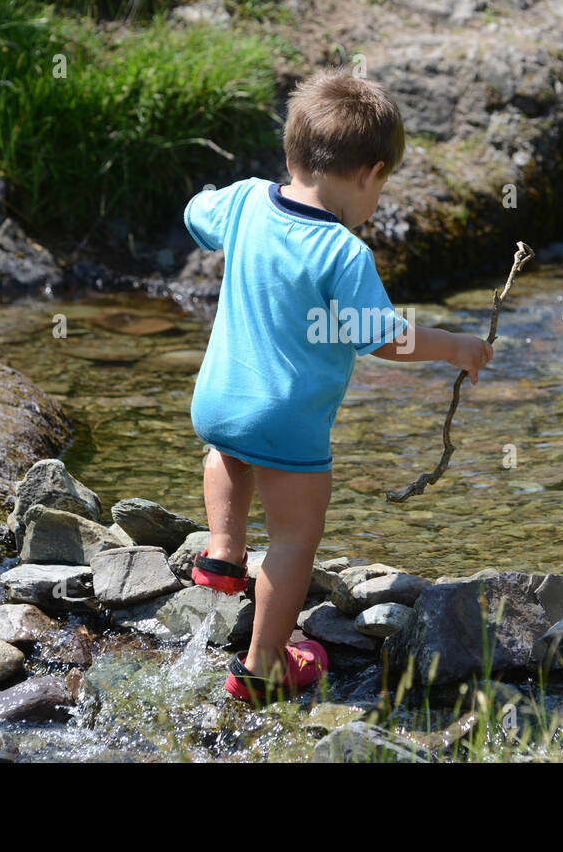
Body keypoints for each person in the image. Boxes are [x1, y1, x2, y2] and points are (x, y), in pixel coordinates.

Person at [182, 70, 493, 703]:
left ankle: (222, 550)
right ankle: (265, 662)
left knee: (226, 452)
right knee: (296, 538)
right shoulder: (343, 253)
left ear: (294, 154)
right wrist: (456, 348)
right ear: (369, 173)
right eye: (382, 188)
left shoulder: (244, 201)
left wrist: (223, 194)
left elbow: (195, 212)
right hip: (288, 422)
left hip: (216, 403)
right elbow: (382, 337)